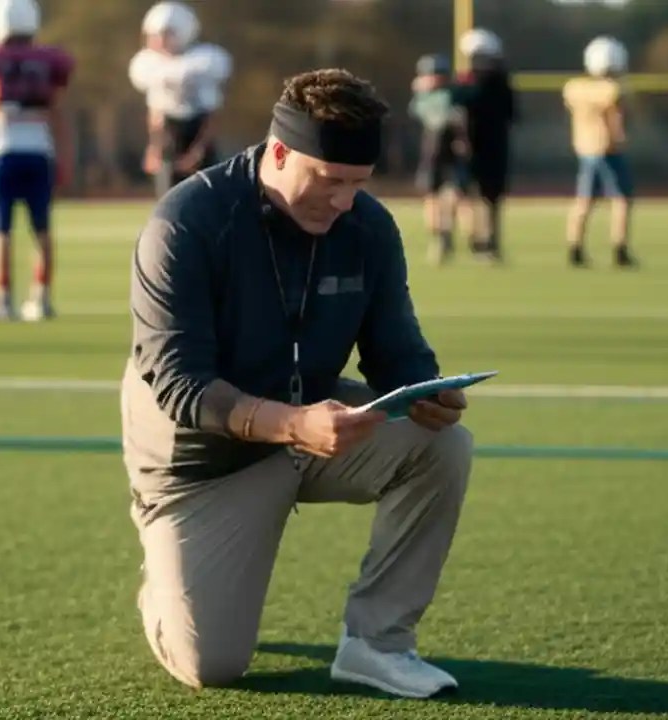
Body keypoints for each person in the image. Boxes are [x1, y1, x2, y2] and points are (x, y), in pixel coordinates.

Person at [122, 68, 474, 698]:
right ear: (279, 152)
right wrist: (292, 424)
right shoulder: (187, 223)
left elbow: (395, 352)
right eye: (330, 180)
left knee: (442, 445)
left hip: (312, 423)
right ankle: (164, 576)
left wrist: (428, 389)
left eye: (358, 185)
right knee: (213, 666)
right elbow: (179, 383)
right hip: (201, 460)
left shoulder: (367, 227)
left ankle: (377, 644)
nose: (343, 201)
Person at [0, 0, 73, 324]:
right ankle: (42, 298)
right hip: (39, 152)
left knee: (0, 230)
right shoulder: (47, 65)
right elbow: (59, 118)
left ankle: (3, 299)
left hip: (2, 152)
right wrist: (65, 158)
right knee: (42, 228)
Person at [127, 1, 232, 197]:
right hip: (169, 138)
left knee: (205, 199)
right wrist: (155, 147)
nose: (159, 40)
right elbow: (157, 113)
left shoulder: (202, 62)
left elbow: (211, 116)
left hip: (196, 134)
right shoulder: (150, 64)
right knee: (169, 201)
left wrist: (197, 152)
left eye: (166, 34)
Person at [562, 35, 637, 269]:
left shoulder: (574, 88)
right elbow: (614, 116)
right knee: (621, 200)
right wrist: (620, 137)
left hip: (585, 149)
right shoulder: (612, 90)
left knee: (584, 200)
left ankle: (575, 247)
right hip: (607, 148)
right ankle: (620, 249)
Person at [453, 28, 518, 263]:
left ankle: (488, 242)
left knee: (489, 197)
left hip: (488, 146)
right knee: (474, 196)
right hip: (478, 146)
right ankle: (480, 240)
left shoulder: (489, 84)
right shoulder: (481, 84)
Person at [409, 53, 470, 266]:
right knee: (432, 196)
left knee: (458, 194)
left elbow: (453, 120)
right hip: (432, 152)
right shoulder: (425, 98)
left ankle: (454, 235)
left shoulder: (451, 96)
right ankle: (439, 237)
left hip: (452, 152)